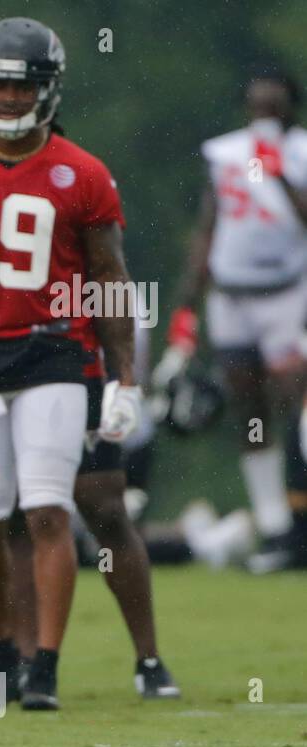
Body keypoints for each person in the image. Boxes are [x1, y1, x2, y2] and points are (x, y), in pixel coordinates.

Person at [0, 17, 143, 711]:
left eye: (22, 88)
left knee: (48, 510)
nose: (9, 100)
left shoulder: (84, 172)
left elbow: (108, 277)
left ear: (47, 92)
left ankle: (44, 667)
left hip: (53, 354)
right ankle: (4, 659)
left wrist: (124, 375)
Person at [168, 66, 307, 573]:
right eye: (257, 106)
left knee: (294, 396)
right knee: (248, 408)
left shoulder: (301, 152)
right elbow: (210, 226)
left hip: (288, 292)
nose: (264, 115)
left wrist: (280, 174)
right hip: (232, 294)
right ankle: (274, 528)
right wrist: (188, 302)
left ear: (291, 107)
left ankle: (297, 519)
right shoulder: (226, 153)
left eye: (274, 106)